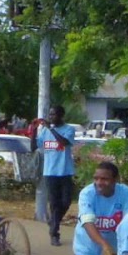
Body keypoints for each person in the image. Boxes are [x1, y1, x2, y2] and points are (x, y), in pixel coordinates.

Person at [34, 105, 79, 246]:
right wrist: (33, 130)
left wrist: (51, 128)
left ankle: (53, 220)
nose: (51, 117)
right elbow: (34, 146)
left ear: (61, 115)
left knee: (66, 202)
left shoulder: (69, 130)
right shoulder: (45, 131)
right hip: (50, 173)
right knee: (54, 204)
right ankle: (54, 234)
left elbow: (64, 142)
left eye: (53, 115)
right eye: (50, 114)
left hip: (65, 172)